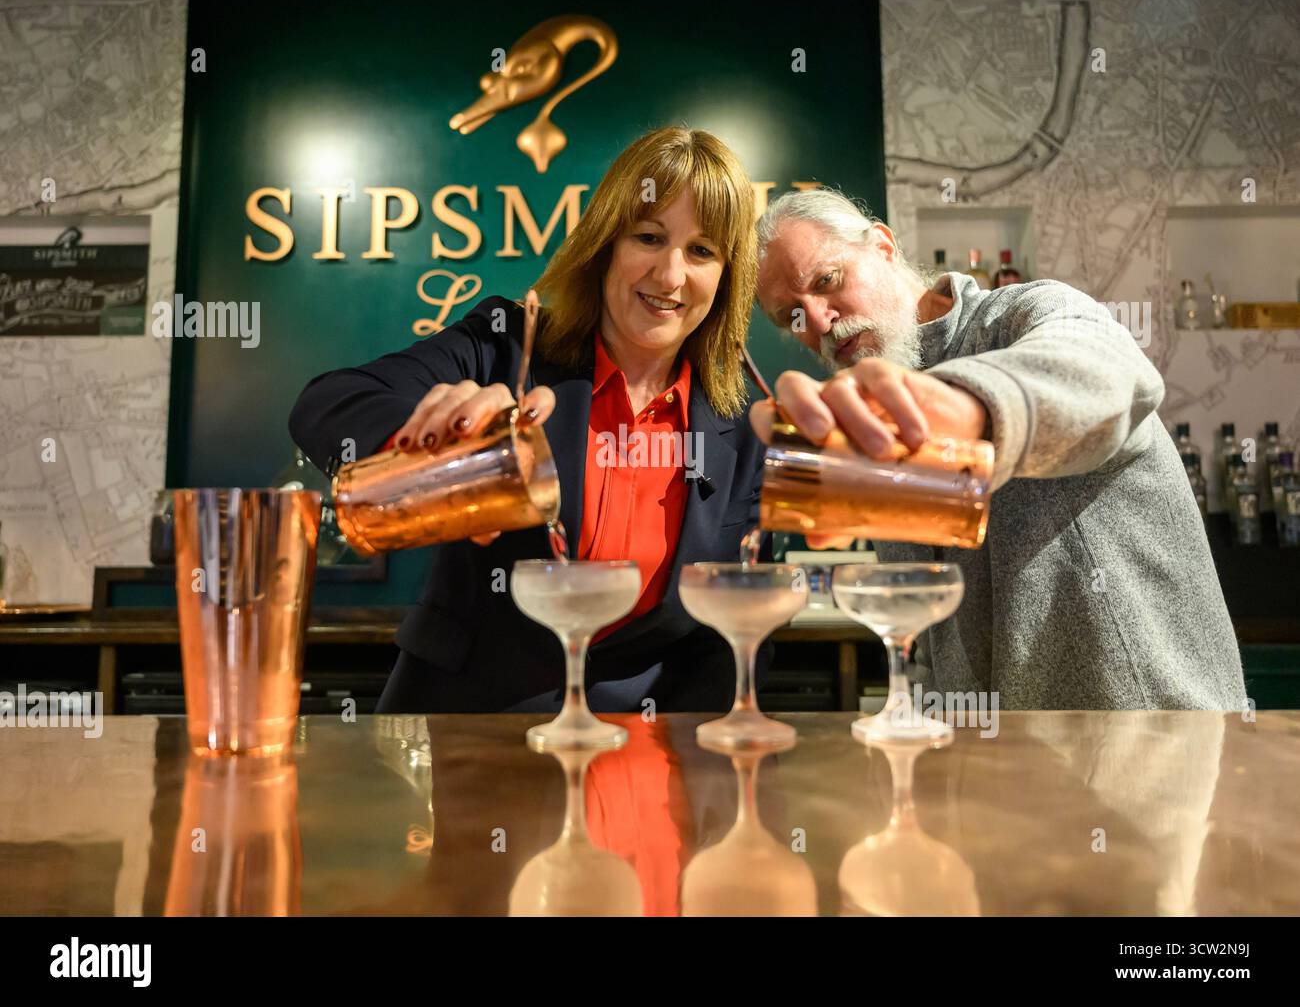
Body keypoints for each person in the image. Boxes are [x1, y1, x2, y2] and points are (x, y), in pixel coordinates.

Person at [289, 127, 769, 713]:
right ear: (605, 245)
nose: (670, 276)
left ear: (725, 277)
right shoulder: (508, 345)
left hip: (638, 747)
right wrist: (444, 441)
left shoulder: (741, 426)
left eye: (702, 251)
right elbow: (327, 403)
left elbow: (728, 635)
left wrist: (689, 767)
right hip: (468, 730)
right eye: (649, 236)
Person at [748, 187, 1246, 711]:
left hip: (1157, 745)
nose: (820, 321)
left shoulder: (1021, 316)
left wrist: (969, 406)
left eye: (828, 281)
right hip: (1007, 770)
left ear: (884, 247)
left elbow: (1111, 370)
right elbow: (935, 636)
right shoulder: (876, 429)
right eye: (793, 317)